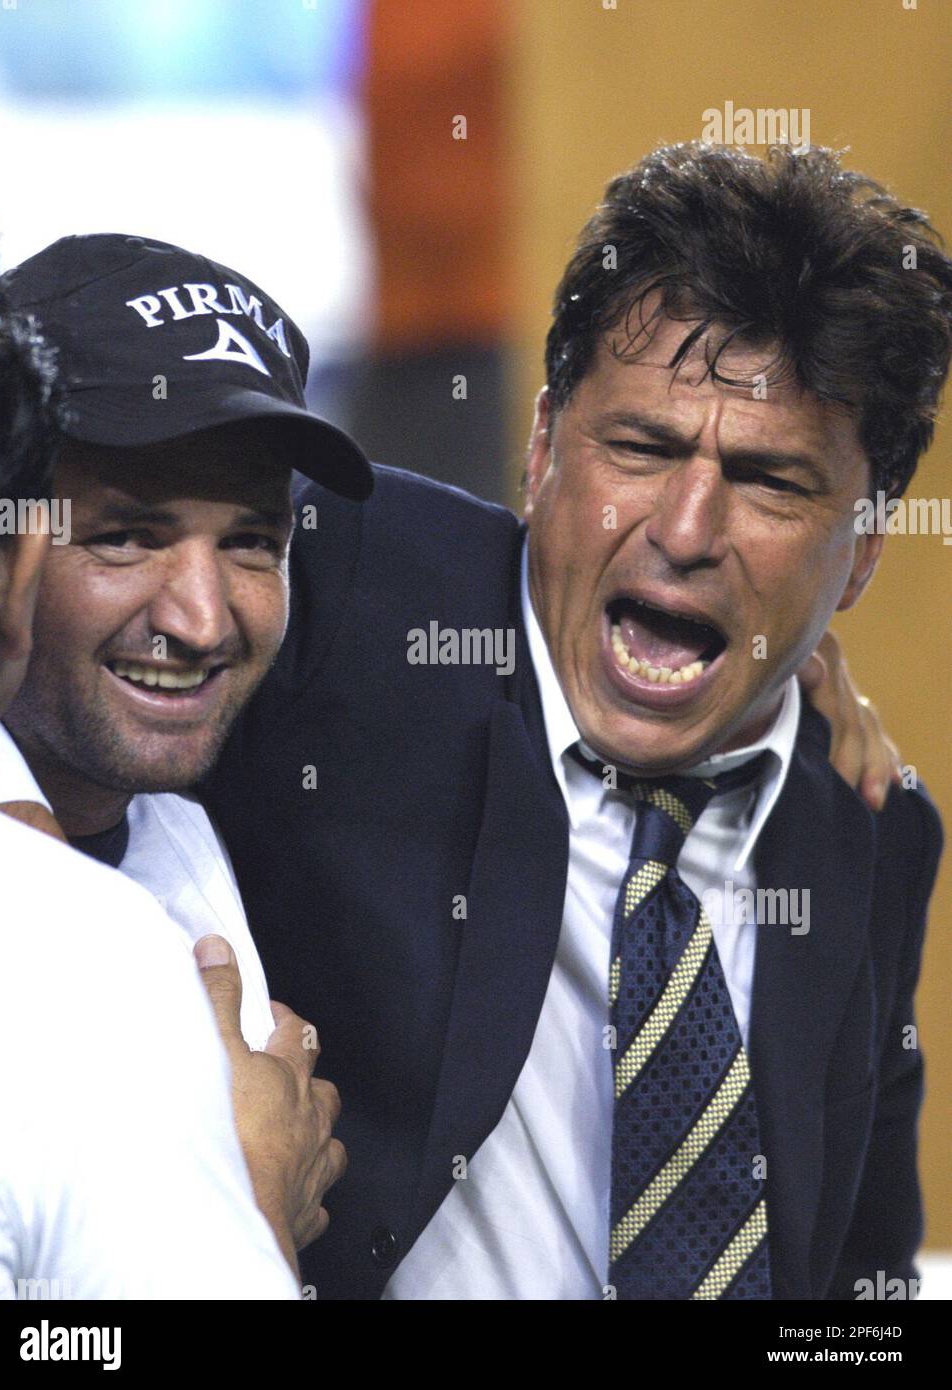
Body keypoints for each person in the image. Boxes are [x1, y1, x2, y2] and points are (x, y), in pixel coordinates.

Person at [201, 143, 948, 1299]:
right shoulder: (350, 589)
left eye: (770, 483)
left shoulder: (867, 825)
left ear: (860, 552)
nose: (687, 528)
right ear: (542, 445)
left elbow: (862, 1278)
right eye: (641, 448)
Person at [0, 225, 333, 1298]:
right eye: (127, 535)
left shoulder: (182, 822)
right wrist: (253, 1200)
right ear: (7, 547)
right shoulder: (33, 927)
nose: (201, 615)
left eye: (251, 541)